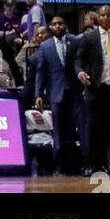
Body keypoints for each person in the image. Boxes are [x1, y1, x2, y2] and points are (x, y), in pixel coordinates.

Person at [75, 6, 110, 174]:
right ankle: (95, 165)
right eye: (102, 15)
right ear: (98, 17)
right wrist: (80, 72)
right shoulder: (89, 37)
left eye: (108, 15)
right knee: (98, 130)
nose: (104, 18)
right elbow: (79, 60)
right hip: (99, 90)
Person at [34, 15, 84, 175]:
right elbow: (40, 72)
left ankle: (79, 164)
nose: (57, 26)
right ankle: (59, 166)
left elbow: (82, 63)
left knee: (79, 129)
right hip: (56, 93)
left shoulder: (75, 41)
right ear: (50, 27)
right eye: (54, 24)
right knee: (59, 131)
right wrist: (38, 94)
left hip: (76, 92)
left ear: (65, 25)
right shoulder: (45, 46)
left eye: (60, 23)